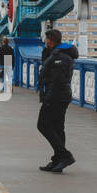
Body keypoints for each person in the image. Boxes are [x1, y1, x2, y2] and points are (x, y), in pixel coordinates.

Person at [37, 29, 78, 172]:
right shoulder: (57, 54)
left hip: (56, 96)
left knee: (42, 125)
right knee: (58, 128)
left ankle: (65, 156)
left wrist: (47, 98)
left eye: (46, 39)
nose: (45, 42)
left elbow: (57, 81)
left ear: (51, 40)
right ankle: (58, 160)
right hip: (60, 96)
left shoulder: (59, 57)